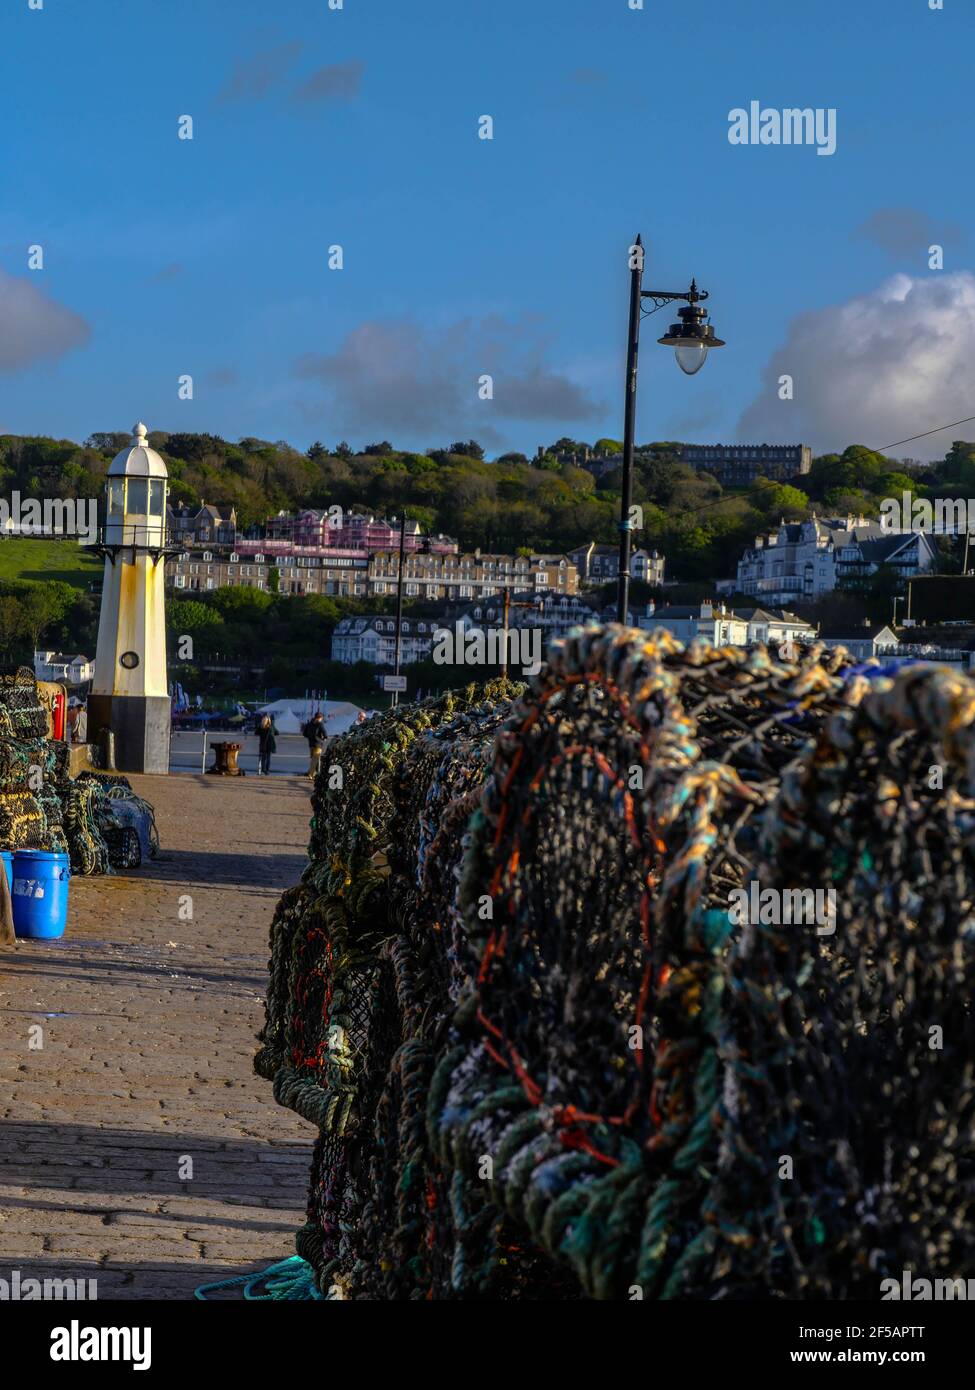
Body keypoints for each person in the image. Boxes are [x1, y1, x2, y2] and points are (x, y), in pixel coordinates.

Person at [302, 711, 328, 779]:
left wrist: (310, 737)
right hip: (318, 744)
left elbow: (304, 733)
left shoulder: (309, 723)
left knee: (313, 759)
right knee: (316, 759)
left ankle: (314, 772)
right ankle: (312, 774)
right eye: (321, 718)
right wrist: (324, 738)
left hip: (311, 744)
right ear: (320, 717)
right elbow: (324, 732)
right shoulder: (320, 724)